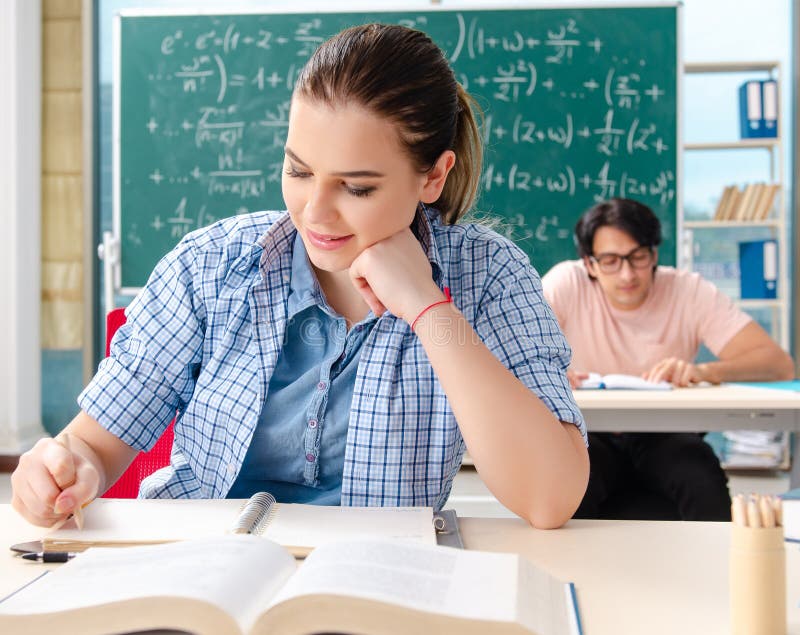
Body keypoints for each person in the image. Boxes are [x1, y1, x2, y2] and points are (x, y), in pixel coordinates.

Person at [13, 24, 588, 529]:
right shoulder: (209, 265)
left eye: (357, 187)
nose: (315, 211)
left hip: (377, 585)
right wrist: (62, 470)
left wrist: (427, 308)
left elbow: (548, 498)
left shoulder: (488, 273)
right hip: (197, 572)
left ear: (433, 178)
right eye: (298, 170)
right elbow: (92, 443)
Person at [542, 197, 794, 521]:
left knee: (701, 479)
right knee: (567, 486)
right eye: (610, 261)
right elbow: (509, 353)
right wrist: (548, 372)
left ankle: (715, 572)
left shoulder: (687, 290)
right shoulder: (566, 283)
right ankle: (569, 574)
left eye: (638, 257)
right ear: (589, 263)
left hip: (665, 433)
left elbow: (776, 363)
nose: (627, 274)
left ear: (654, 254)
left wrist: (702, 371)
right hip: (590, 433)